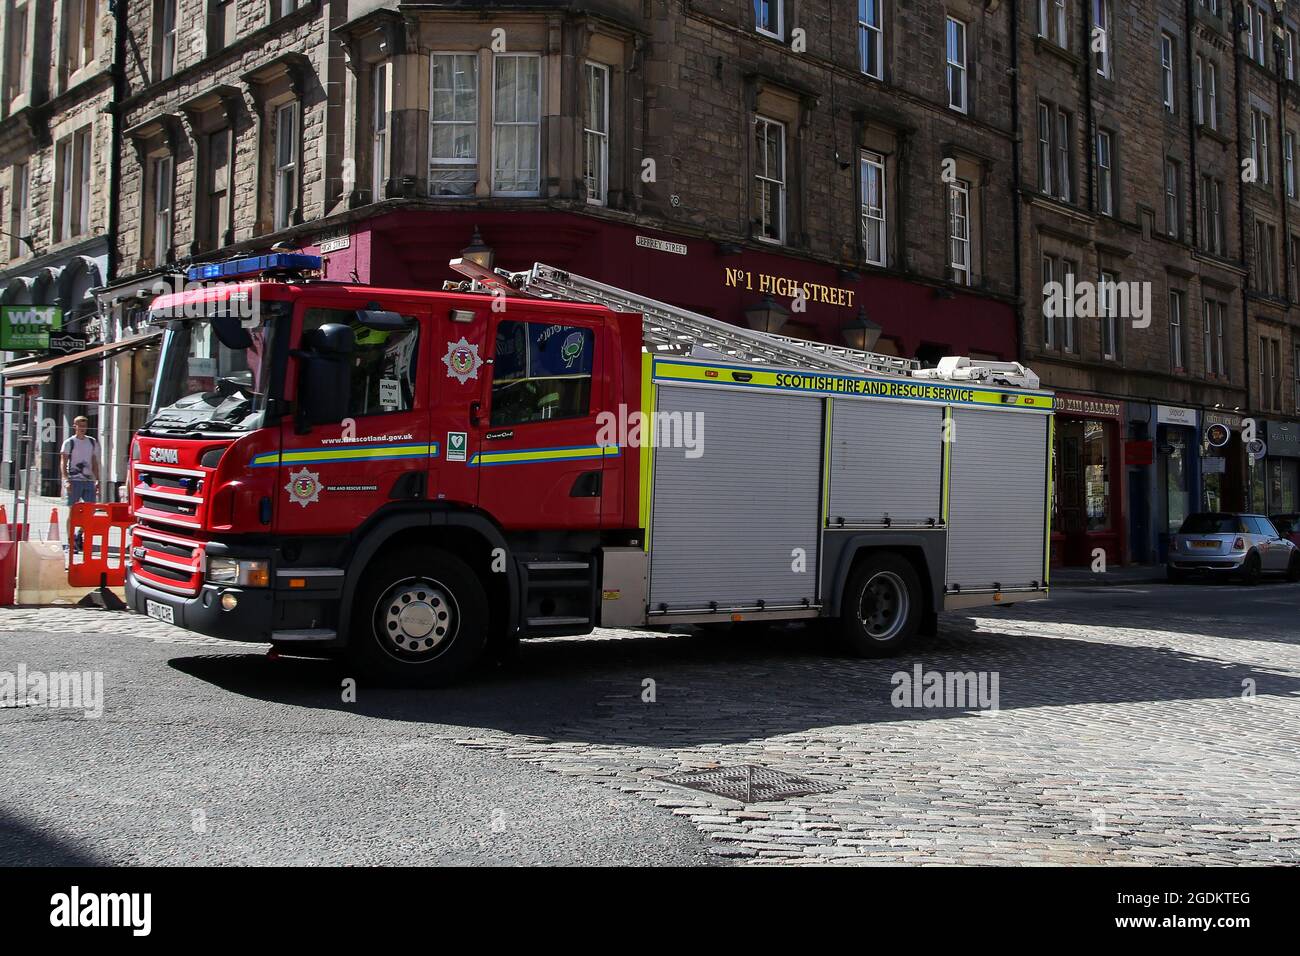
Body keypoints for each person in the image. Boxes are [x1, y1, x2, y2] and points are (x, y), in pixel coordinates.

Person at [60, 416, 99, 550]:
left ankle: (79, 535)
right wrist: (66, 480)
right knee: (72, 512)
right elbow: (63, 462)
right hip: (74, 480)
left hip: (88, 481)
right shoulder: (69, 442)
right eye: (79, 426)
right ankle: (70, 541)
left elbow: (94, 462)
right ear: (74, 426)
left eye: (84, 426)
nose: (82, 428)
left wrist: (97, 479)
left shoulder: (92, 442)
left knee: (90, 512)